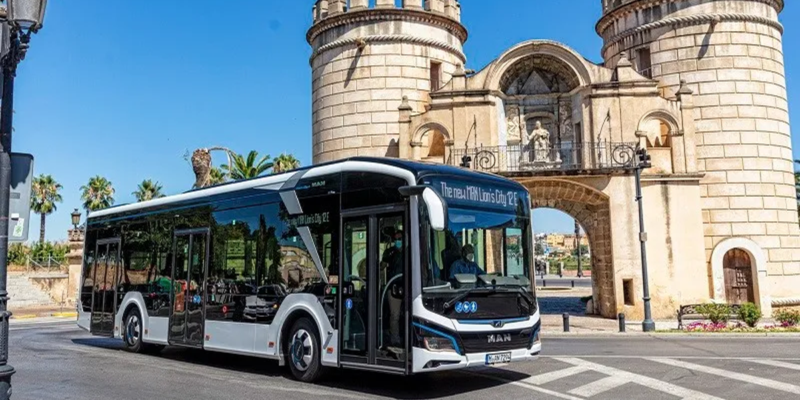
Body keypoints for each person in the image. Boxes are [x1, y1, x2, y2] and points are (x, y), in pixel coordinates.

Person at [381, 229, 404, 348]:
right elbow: (381, 267)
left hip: (408, 287)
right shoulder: (390, 252)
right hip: (393, 287)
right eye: (396, 239)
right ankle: (395, 340)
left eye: (400, 239)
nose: (398, 241)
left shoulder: (410, 252)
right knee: (394, 315)